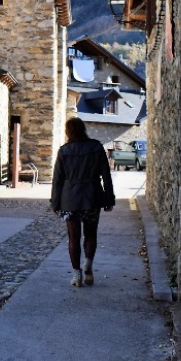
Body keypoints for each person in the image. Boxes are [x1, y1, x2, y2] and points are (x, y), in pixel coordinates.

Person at [50, 117, 116, 287]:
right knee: (91, 234)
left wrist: (55, 202)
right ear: (83, 129)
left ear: (68, 132)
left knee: (73, 237)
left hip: (69, 200)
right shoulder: (96, 147)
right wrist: (109, 198)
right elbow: (106, 176)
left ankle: (76, 275)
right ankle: (88, 263)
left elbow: (57, 179)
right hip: (92, 197)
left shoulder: (64, 151)